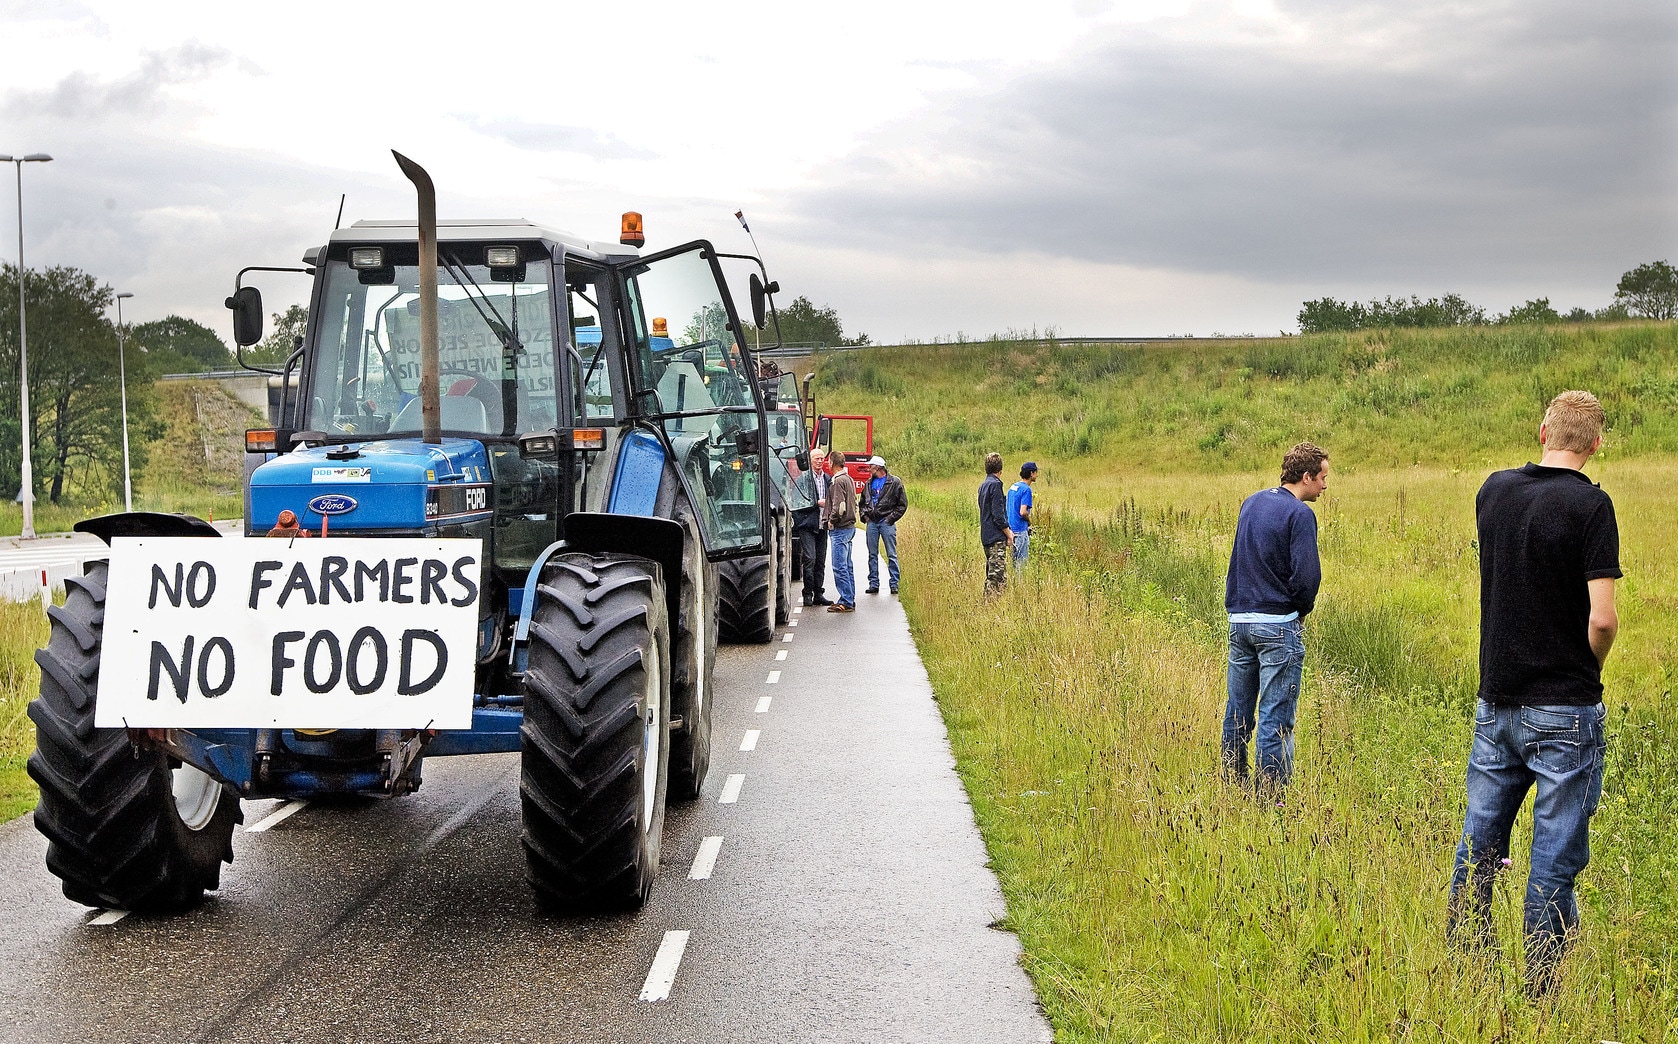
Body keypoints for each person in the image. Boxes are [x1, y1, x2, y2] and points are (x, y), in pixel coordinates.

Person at [1447, 391, 1619, 998]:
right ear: (1595, 444)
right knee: (1554, 852)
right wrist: (1586, 669)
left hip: (1497, 698)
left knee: (1480, 838)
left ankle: (1466, 965)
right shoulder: (1592, 507)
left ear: (1542, 429)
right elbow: (1602, 619)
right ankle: (1540, 989)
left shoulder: (1493, 491)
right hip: (1564, 705)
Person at [1221, 441, 1329, 792]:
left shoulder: (1251, 502)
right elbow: (1307, 577)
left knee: (1238, 710)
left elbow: (1239, 559)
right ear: (1307, 476)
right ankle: (1271, 799)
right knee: (1275, 717)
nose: (1325, 486)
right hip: (1278, 624)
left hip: (1240, 622)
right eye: (1323, 478)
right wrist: (1300, 611)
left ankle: (1232, 783)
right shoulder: (1299, 515)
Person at [860, 455, 907, 595]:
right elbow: (862, 502)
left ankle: (894, 583)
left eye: (871, 466)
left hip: (887, 522)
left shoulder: (894, 482)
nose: (869, 469)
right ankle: (873, 583)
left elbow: (902, 504)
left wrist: (890, 519)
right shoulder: (869, 483)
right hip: (872, 523)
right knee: (872, 554)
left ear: (878, 467)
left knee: (891, 554)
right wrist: (865, 516)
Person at [795, 448, 829, 606]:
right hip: (808, 525)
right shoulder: (803, 480)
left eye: (822, 458)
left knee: (820, 561)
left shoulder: (827, 479)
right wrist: (816, 503)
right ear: (810, 460)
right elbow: (798, 501)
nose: (820, 461)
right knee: (810, 559)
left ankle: (818, 593)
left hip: (823, 524)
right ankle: (807, 593)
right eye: (816, 458)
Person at [826, 451, 858, 613]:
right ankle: (850, 597)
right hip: (850, 526)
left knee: (839, 566)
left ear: (832, 463)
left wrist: (831, 520)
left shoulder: (837, 481)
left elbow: (839, 507)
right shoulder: (849, 479)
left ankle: (845, 600)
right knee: (847, 565)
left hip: (840, 528)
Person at [978, 452, 1009, 597]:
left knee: (999, 574)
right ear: (1000, 469)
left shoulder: (983, 486)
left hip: (986, 535)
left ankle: (1000, 606)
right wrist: (1008, 533)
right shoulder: (996, 485)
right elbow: (998, 515)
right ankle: (988, 605)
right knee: (996, 576)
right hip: (996, 536)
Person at [1006, 461, 1037, 568]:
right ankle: (1020, 584)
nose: (1037, 475)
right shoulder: (1026, 490)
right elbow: (1023, 512)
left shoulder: (1013, 487)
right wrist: (1029, 522)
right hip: (1020, 530)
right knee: (1021, 564)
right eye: (1036, 472)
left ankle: (1014, 584)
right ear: (1032, 473)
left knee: (1013, 563)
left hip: (1010, 530)